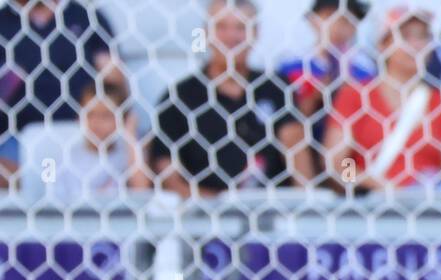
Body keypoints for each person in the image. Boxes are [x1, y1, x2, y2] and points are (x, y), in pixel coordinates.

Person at [149, 0, 309, 196]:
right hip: (203, 215)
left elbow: (299, 159)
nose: (232, 36)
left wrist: (307, 206)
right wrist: (220, 207)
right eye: (221, 27)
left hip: (271, 213)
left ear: (256, 33)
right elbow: (169, 178)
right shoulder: (179, 96)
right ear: (206, 33)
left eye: (241, 27)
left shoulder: (276, 87)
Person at [323, 7, 441, 192]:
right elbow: (337, 163)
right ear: (382, 45)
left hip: (428, 211)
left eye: (423, 36)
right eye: (405, 36)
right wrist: (374, 184)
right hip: (369, 208)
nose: (415, 45)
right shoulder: (355, 95)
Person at [0, 0, 122, 186]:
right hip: (17, 139)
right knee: (42, 183)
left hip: (82, 136)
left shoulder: (83, 16)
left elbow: (114, 80)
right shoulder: (3, 21)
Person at [277, 0, 376, 179]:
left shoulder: (366, 70)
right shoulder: (293, 67)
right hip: (307, 148)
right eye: (329, 16)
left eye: (346, 20)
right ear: (313, 20)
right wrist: (315, 95)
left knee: (348, 160)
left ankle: (349, 186)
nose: (338, 26)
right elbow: (287, 120)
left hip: (349, 149)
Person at [22, 81, 150, 201]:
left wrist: (131, 135)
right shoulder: (62, 159)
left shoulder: (128, 156)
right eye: (90, 114)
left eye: (106, 116)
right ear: (79, 117)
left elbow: (142, 193)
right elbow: (52, 202)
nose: (96, 123)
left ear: (122, 119)